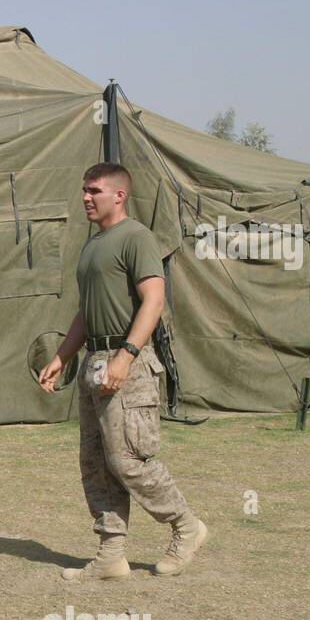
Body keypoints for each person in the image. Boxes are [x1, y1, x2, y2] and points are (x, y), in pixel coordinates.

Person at [39, 163, 207, 580]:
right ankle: (111, 553)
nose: (85, 197)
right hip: (95, 361)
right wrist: (62, 357)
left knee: (128, 459)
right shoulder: (94, 244)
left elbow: (154, 300)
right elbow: (86, 311)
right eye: (83, 189)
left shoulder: (136, 238)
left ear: (119, 195)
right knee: (96, 462)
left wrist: (126, 357)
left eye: (94, 190)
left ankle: (186, 527)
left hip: (125, 363)